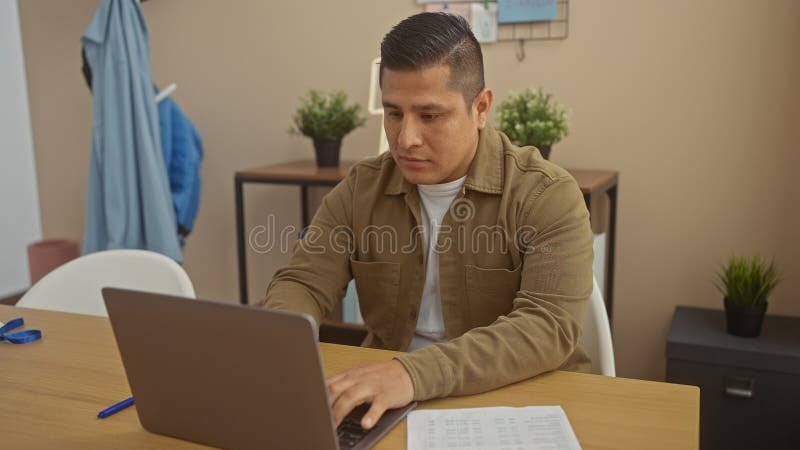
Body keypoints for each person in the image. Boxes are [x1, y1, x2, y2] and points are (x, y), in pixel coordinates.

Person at [261, 12, 593, 431]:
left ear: (482, 108)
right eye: (394, 113)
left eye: (430, 116)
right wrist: (283, 344)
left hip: (519, 403)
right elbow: (302, 283)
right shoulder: (361, 188)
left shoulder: (546, 194)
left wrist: (411, 374)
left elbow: (546, 328)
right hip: (390, 404)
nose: (405, 139)